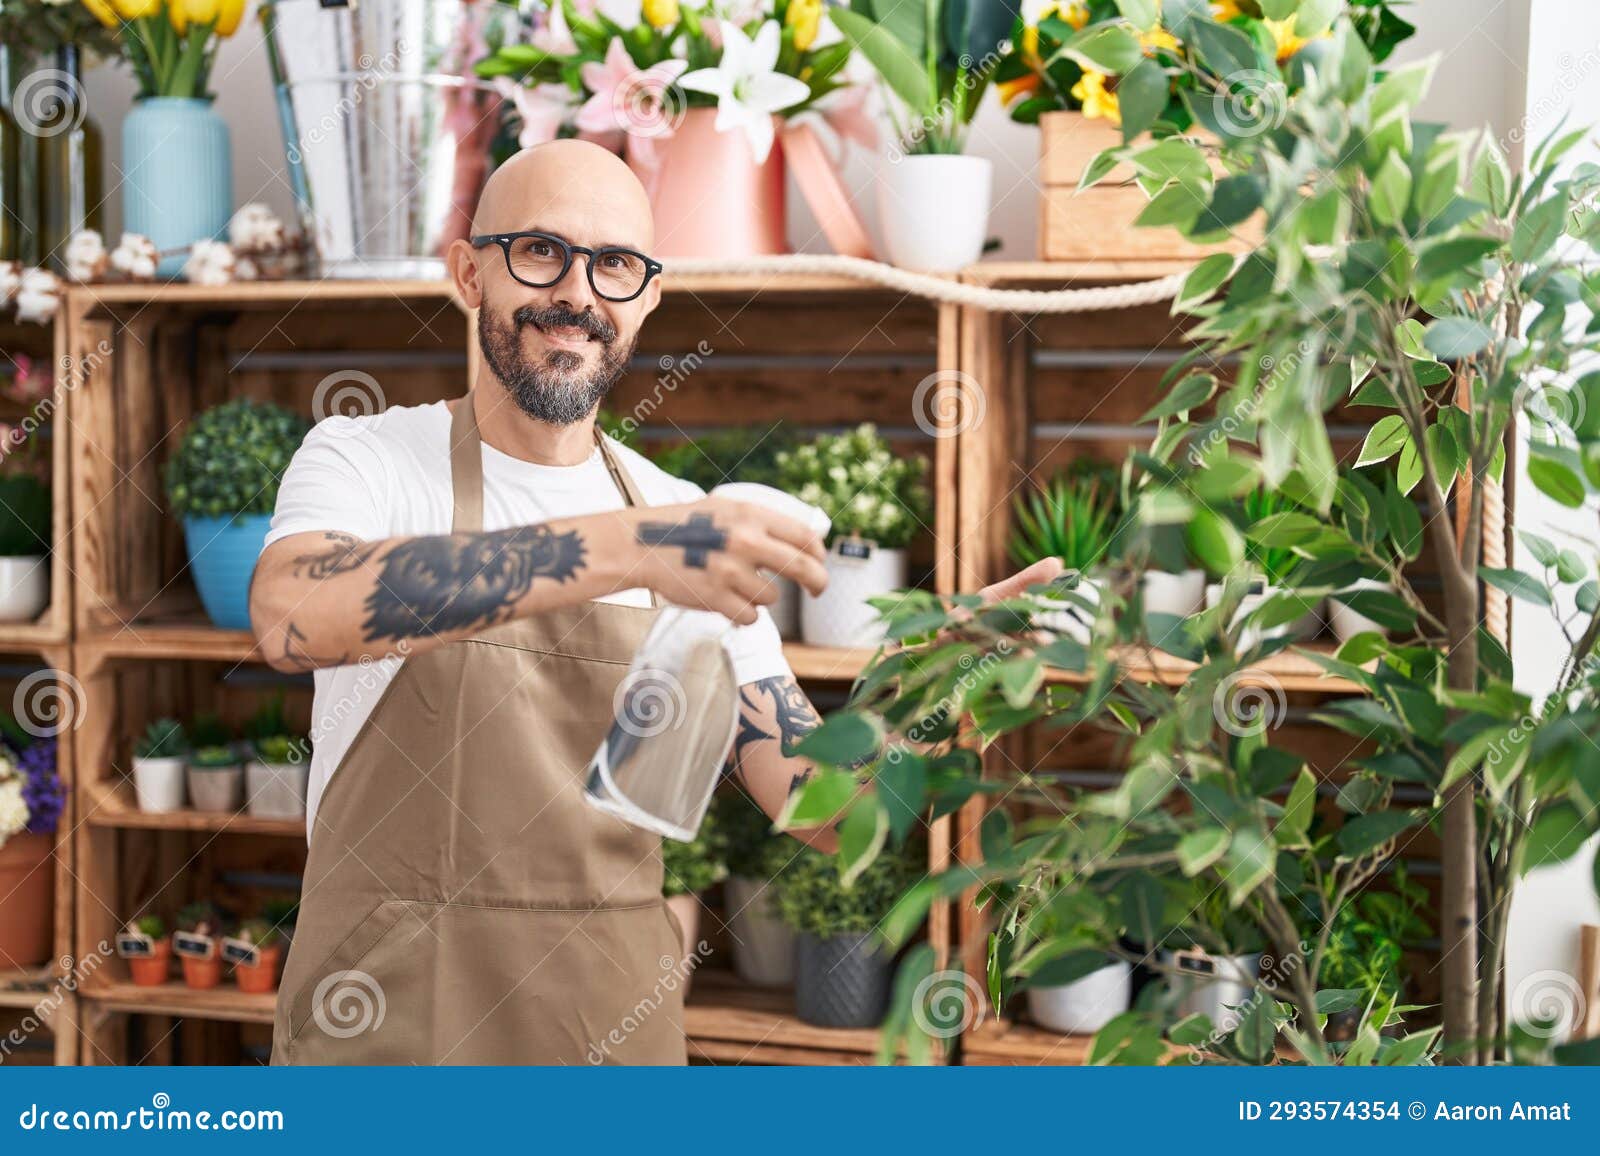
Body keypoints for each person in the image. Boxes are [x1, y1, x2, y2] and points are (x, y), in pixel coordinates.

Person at [249, 139, 1060, 1065]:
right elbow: (291, 617)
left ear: (649, 298)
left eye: (616, 266)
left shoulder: (687, 525)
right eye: (541, 251)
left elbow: (827, 812)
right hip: (387, 1021)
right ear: (470, 273)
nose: (579, 295)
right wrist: (632, 547)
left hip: (604, 1026)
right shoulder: (369, 461)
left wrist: (933, 682)